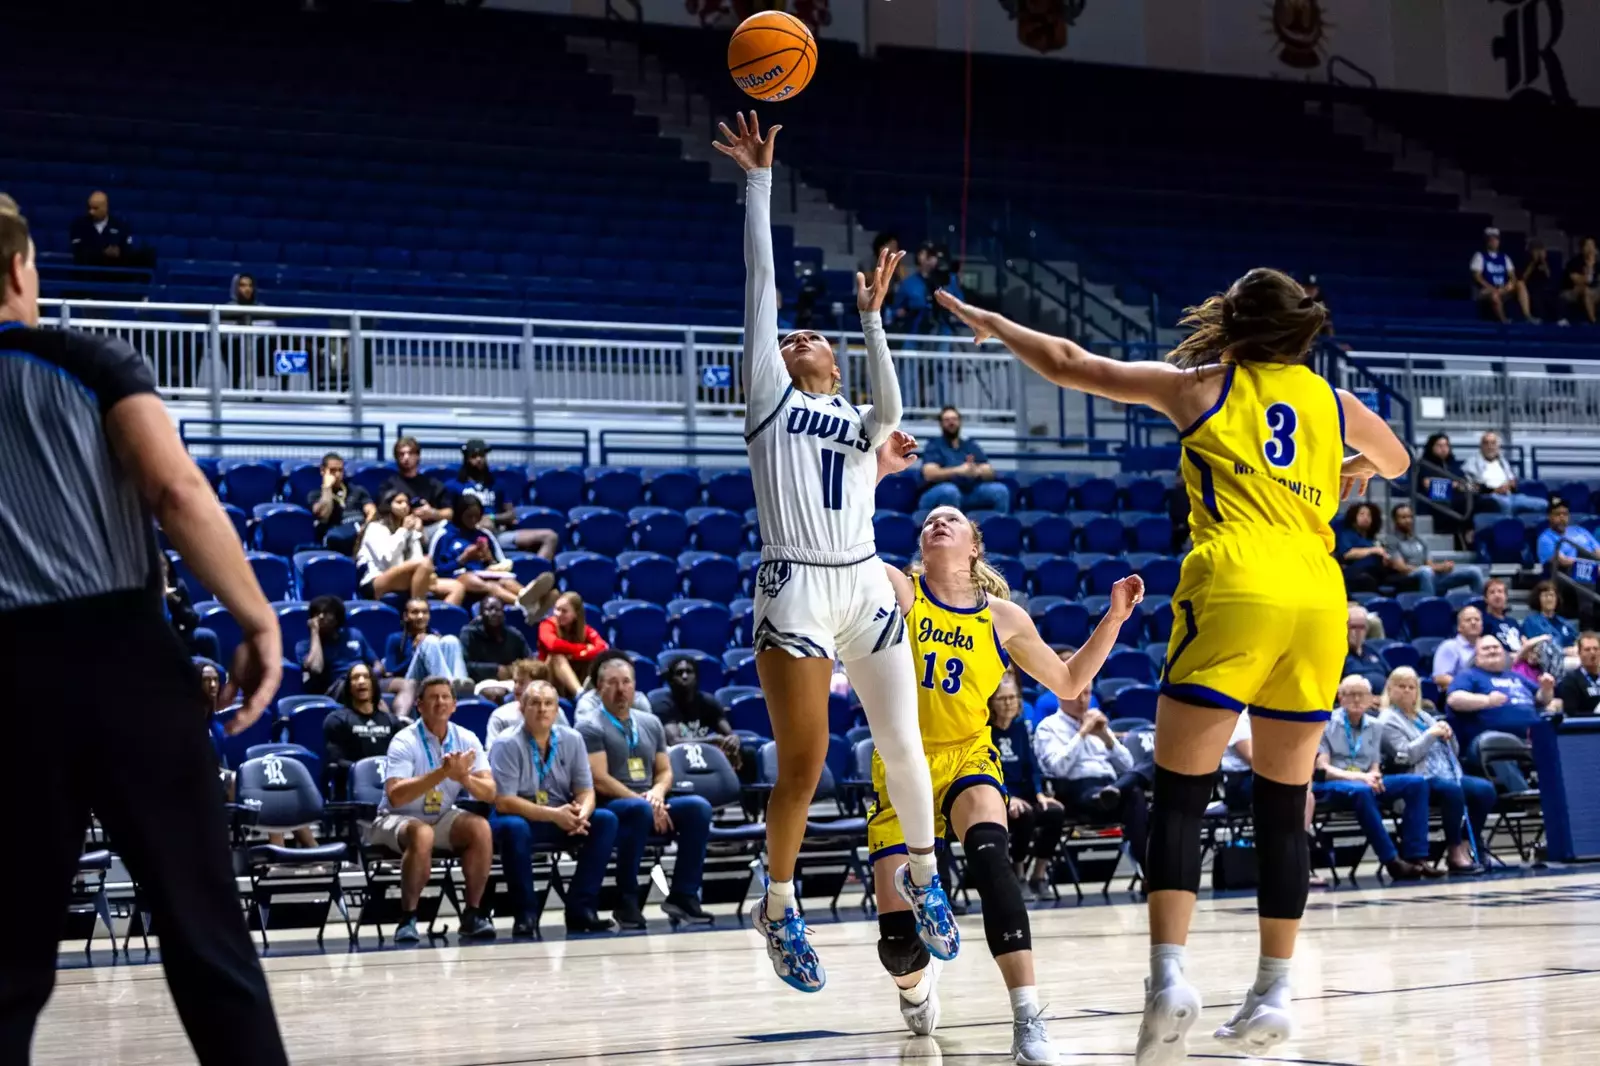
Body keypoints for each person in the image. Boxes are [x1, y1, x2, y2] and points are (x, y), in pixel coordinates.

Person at [934, 266, 1411, 1061]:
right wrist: (1341, 474)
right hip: (1321, 598)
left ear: (1234, 321)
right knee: (1282, 803)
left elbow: (1069, 361)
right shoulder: (1331, 402)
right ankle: (1274, 990)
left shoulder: (1203, 387)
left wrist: (1000, 326)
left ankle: (1169, 981)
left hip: (1236, 581)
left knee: (1183, 796)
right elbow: (1394, 461)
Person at [0, 192, 291, 1064]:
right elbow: (175, 492)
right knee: (205, 934)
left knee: (7, 964)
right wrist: (255, 619)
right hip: (118, 654)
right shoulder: (86, 360)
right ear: (19, 268)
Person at [717, 110, 959, 995]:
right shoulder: (771, 400)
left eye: (809, 338)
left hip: (863, 582)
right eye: (789, 340)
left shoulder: (861, 425)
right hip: (795, 589)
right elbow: (761, 288)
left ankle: (929, 881)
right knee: (807, 765)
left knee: (905, 744)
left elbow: (891, 413)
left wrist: (871, 320)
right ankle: (778, 904)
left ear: (836, 358)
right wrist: (758, 182)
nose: (795, 340)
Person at [865, 499, 1143, 1063]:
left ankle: (1028, 1019)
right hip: (902, 760)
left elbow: (1069, 681)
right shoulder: (901, 589)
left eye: (951, 519)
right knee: (897, 946)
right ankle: (917, 988)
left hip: (969, 753)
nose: (936, 523)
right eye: (927, 522)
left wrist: (1112, 618)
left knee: (993, 860)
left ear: (974, 545)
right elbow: (844, 543)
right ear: (922, 548)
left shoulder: (1004, 619)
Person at [579, 655, 714, 930]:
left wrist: (657, 793)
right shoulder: (589, 725)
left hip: (651, 799)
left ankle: (683, 895)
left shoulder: (650, 722)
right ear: (599, 688)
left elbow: (665, 771)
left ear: (635, 686)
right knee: (638, 811)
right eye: (613, 683)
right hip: (611, 803)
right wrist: (644, 801)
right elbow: (599, 779)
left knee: (698, 807)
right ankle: (627, 899)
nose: (621, 689)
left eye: (626, 682)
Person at [373, 677, 498, 942]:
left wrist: (464, 778)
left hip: (440, 816)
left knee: (480, 827)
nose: (440, 702)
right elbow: (395, 796)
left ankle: (473, 914)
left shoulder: (466, 738)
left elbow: (490, 792)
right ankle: (407, 918)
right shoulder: (404, 740)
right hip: (394, 819)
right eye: (433, 697)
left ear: (454, 705)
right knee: (422, 834)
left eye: (445, 697)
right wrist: (442, 772)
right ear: (419, 705)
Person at [489, 680, 618, 936]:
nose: (542, 709)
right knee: (515, 828)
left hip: (559, 815)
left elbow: (585, 790)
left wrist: (581, 814)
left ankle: (581, 909)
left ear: (557, 709)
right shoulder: (506, 743)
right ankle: (525, 913)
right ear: (521, 708)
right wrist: (554, 815)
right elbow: (504, 801)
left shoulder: (573, 739)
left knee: (605, 820)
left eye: (549, 704)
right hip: (517, 816)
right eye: (535, 703)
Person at [1314, 676, 1441, 880]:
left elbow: (1374, 763)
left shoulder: (1374, 725)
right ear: (1340, 697)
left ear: (1369, 698)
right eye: (1351, 694)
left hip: (1364, 781)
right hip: (1333, 784)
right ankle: (1391, 860)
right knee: (1362, 790)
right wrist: (1362, 777)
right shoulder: (1326, 723)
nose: (1356, 699)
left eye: (1361, 695)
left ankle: (1416, 856)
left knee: (1416, 783)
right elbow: (1323, 768)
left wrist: (1374, 775)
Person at [1378, 667, 1495, 873]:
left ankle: (1469, 841)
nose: (1407, 691)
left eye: (1411, 687)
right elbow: (1405, 756)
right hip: (1418, 777)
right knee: (1451, 790)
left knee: (1484, 789)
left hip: (1446, 773)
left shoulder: (1423, 716)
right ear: (1390, 689)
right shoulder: (1387, 719)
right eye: (1401, 686)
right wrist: (1431, 735)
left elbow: (1454, 752)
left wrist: (1449, 735)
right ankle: (1454, 849)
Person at [1032, 679, 1150, 881]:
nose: (1082, 700)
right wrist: (1082, 733)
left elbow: (1128, 765)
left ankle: (1149, 873)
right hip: (1077, 792)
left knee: (1139, 791)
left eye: (1087, 693)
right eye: (1077, 694)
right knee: (1134, 798)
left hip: (1110, 786)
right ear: (1061, 695)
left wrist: (1106, 736)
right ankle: (1151, 874)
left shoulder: (1098, 722)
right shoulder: (1048, 727)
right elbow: (1058, 768)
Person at [1219, 711, 1328, 890]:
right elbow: (1254, 758)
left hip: (1275, 772)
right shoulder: (1240, 719)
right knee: (1288, 790)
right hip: (1241, 781)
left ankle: (1298, 853)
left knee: (1305, 792)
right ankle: (1292, 860)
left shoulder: (1276, 716)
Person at [988, 674, 1064, 901]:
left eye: (1013, 698)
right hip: (997, 798)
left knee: (1054, 812)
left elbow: (1032, 765)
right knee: (1025, 815)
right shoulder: (985, 732)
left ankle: (1039, 874)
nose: (1009, 703)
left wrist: (1040, 793)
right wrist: (1007, 798)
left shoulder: (1021, 729)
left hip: (1025, 794)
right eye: (1002, 699)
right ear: (991, 703)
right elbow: (987, 771)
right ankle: (1018, 874)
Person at [449, 438, 560, 563]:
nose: (479, 459)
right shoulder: (454, 486)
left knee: (550, 537)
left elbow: (511, 514)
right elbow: (449, 514)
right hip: (466, 536)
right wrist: (475, 523)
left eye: (482, 455)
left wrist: (491, 518)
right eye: (474, 456)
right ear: (466, 459)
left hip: (497, 534)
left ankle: (538, 574)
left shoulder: (497, 484)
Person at [1446, 635, 1558, 754]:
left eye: (1496, 647)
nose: (1492, 650)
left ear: (1504, 654)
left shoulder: (1516, 676)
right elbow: (1454, 699)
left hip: (1531, 737)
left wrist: (1546, 689)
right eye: (1486, 648)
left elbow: (1542, 700)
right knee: (1496, 742)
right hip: (1489, 741)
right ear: (1476, 657)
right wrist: (1487, 701)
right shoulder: (1469, 675)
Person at [431, 494, 542, 611]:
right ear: (459, 514)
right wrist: (463, 559)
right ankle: (524, 606)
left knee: (507, 582)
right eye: (469, 516)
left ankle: (533, 599)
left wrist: (489, 558)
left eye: (477, 516)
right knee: (487, 584)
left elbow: (501, 565)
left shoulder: (484, 535)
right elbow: (436, 569)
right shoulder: (444, 535)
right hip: (455, 578)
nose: (473, 520)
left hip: (484, 575)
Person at [357, 488, 465, 605]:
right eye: (399, 502)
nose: (404, 506)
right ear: (387, 505)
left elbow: (416, 559)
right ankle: (417, 609)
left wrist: (426, 573)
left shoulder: (409, 528)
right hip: (376, 581)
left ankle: (439, 623)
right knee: (424, 562)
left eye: (407, 503)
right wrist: (403, 530)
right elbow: (387, 559)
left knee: (457, 587)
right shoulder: (375, 528)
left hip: (404, 577)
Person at [322, 663, 402, 798]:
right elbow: (336, 761)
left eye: (366, 677)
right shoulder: (336, 720)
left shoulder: (392, 721)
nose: (361, 681)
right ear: (348, 686)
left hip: (390, 789)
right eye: (355, 678)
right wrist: (368, 772)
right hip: (354, 791)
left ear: (374, 684)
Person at [652, 656, 743, 768]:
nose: (684, 676)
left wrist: (734, 739)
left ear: (696, 677)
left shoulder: (708, 702)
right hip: (677, 757)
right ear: (671, 680)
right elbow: (674, 742)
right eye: (679, 673)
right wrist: (712, 741)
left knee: (746, 752)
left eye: (689, 672)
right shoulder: (663, 705)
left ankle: (741, 784)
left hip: (705, 752)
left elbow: (729, 733)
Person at [917, 405, 1011, 514]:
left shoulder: (970, 445)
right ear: (941, 424)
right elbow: (930, 474)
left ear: (960, 422)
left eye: (954, 419)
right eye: (947, 420)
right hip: (937, 492)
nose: (951, 423)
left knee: (1000, 491)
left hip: (967, 492)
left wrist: (976, 471)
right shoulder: (934, 445)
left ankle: (999, 528)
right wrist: (958, 471)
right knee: (950, 491)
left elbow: (989, 471)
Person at [1383, 502, 1486, 596]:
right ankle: (1431, 608)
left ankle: (1480, 608)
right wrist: (1432, 569)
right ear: (1395, 520)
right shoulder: (1391, 540)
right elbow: (1401, 568)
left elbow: (1429, 564)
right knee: (1425, 571)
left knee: (1474, 571)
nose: (1408, 521)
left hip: (1430, 576)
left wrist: (1442, 567)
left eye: (1410, 517)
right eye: (1403, 517)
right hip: (1411, 579)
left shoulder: (1419, 540)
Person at [295, 595, 381, 699]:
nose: (321, 617)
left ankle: (400, 715)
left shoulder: (355, 635)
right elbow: (316, 668)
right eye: (317, 614)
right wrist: (315, 632)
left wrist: (372, 675)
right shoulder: (303, 646)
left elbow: (377, 664)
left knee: (402, 685)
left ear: (337, 618)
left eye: (326, 613)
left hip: (364, 680)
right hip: (336, 687)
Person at [537, 591, 609, 698]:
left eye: (564, 611)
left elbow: (602, 647)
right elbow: (554, 645)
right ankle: (580, 694)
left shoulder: (585, 630)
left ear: (576, 614)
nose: (558, 614)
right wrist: (583, 648)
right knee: (557, 656)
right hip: (548, 677)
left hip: (576, 674)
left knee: (599, 660)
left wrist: (574, 655)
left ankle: (598, 694)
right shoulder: (546, 625)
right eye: (557, 609)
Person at [307, 451, 375, 555]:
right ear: (323, 471)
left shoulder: (357, 490)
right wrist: (327, 488)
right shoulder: (315, 495)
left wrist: (365, 527)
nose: (338, 474)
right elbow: (324, 515)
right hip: (336, 542)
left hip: (360, 535)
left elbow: (372, 511)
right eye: (333, 471)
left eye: (340, 470)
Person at [382, 436, 453, 534]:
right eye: (401, 454)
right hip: (400, 530)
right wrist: (394, 508)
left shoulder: (432, 484)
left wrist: (432, 513)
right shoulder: (389, 484)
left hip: (428, 529)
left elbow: (449, 513)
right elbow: (381, 507)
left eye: (410, 453)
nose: (406, 457)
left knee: (446, 526)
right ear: (396, 458)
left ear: (418, 456)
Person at [487, 663, 571, 745]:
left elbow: (567, 745)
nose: (516, 687)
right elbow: (492, 751)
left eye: (522, 683)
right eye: (515, 682)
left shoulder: (556, 712)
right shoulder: (500, 716)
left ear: (540, 686)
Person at [1461, 432, 1545, 515]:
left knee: (1543, 504)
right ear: (1481, 446)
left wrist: (1511, 484)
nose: (1490, 446)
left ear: (1498, 446)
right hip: (1490, 497)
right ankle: (1510, 527)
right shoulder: (1471, 463)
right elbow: (1466, 486)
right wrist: (1493, 490)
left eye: (1493, 443)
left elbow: (1512, 480)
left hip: (1511, 496)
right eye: (1486, 443)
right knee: (1506, 506)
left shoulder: (1502, 461)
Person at [1414, 433, 1472, 548]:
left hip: (1456, 497)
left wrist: (1455, 486)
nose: (1443, 449)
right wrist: (1453, 485)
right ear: (1432, 447)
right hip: (1432, 498)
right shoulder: (1425, 464)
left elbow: (1466, 484)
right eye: (1439, 445)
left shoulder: (1454, 465)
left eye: (1446, 445)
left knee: (1474, 500)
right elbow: (1428, 485)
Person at [69, 189, 151, 269]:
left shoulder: (120, 226)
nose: (91, 212)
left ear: (105, 207)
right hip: (88, 273)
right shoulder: (79, 225)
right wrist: (103, 252)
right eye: (89, 208)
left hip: (114, 273)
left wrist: (118, 252)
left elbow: (127, 249)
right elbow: (78, 251)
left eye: (95, 208)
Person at [462, 596, 533, 683]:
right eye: (489, 609)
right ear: (480, 614)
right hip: (480, 683)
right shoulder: (469, 633)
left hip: (512, 682)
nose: (494, 613)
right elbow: (464, 666)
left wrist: (515, 669)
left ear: (503, 613)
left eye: (498, 610)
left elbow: (530, 660)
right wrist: (495, 670)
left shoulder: (514, 634)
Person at [1469, 227, 1529, 323]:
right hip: (1486, 290)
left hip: (1502, 288)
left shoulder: (1505, 257)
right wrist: (1491, 288)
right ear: (1487, 241)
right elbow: (1477, 277)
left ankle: (1527, 316)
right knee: (1494, 295)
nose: (1493, 241)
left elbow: (1512, 276)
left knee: (1520, 284)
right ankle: (1503, 320)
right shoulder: (1479, 256)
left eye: (1496, 239)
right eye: (1491, 239)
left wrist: (1509, 285)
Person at [1333, 502, 1389, 594]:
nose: (1366, 518)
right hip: (1355, 572)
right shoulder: (1347, 535)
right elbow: (1347, 554)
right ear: (1354, 517)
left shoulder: (1372, 539)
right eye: (1362, 514)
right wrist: (1373, 550)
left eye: (1369, 515)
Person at [1521, 580, 1578, 659]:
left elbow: (1575, 641)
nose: (1549, 599)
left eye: (1552, 595)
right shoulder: (1531, 621)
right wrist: (1563, 651)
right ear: (1538, 599)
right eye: (1545, 595)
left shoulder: (1565, 623)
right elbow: (1537, 648)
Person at [1432, 605, 1482, 690]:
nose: (1473, 622)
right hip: (1460, 695)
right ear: (1459, 627)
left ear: (1482, 625)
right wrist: (1470, 686)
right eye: (1468, 620)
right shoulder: (1449, 646)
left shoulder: (1488, 647)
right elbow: (1440, 678)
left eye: (1477, 619)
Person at [1342, 605, 1390, 693]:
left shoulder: (1372, 651)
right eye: (1353, 627)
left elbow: (1390, 677)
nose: (1358, 632)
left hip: (1383, 702)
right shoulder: (1336, 655)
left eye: (1362, 627)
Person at [1556, 632, 1600, 716]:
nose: (1592, 653)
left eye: (1596, 649)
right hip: (1587, 726)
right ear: (1579, 653)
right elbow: (1571, 714)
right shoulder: (1571, 680)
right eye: (1587, 649)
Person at [1562, 236, 1598, 325]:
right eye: (1588, 245)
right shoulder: (1574, 263)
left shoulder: (1598, 263)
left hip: (1594, 291)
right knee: (1586, 291)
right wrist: (1590, 267)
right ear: (1582, 248)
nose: (1590, 249)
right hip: (1573, 290)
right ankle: (1593, 322)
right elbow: (1581, 281)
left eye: (1592, 246)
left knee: (1590, 292)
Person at [1481, 578, 1524, 653]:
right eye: (1492, 592)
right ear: (1485, 598)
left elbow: (1524, 641)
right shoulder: (1483, 621)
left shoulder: (1513, 622)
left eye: (1500, 591)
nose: (1497, 595)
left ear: (1506, 597)